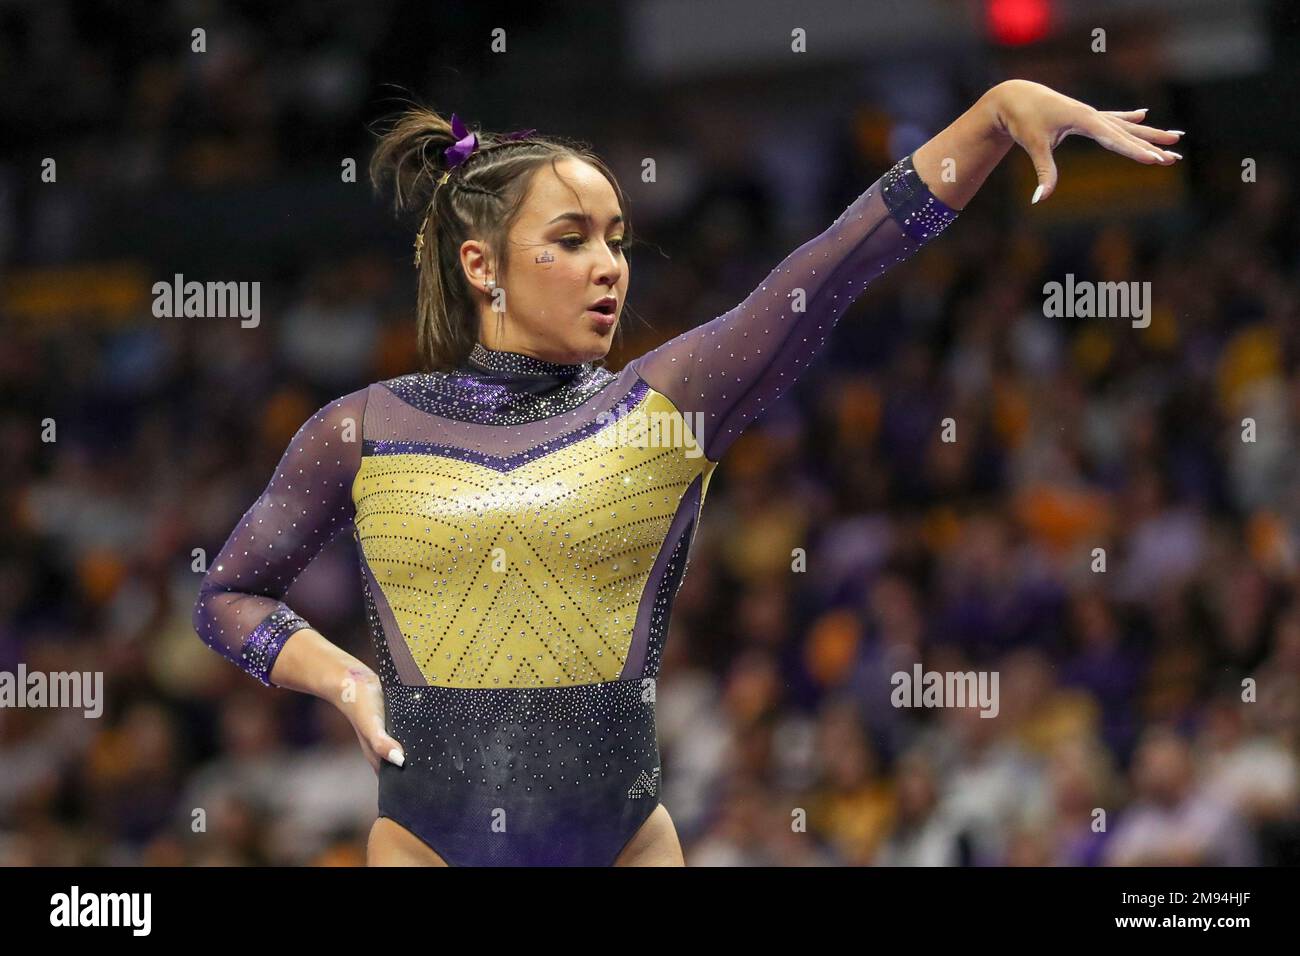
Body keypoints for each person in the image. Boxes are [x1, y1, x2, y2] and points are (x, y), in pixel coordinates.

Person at [192, 80, 1182, 866]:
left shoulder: (663, 405)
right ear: (482, 266)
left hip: (624, 843)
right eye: (571, 241)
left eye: (617, 240)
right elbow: (229, 595)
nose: (609, 266)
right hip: (426, 845)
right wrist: (345, 678)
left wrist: (995, 112)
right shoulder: (358, 429)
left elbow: (834, 263)